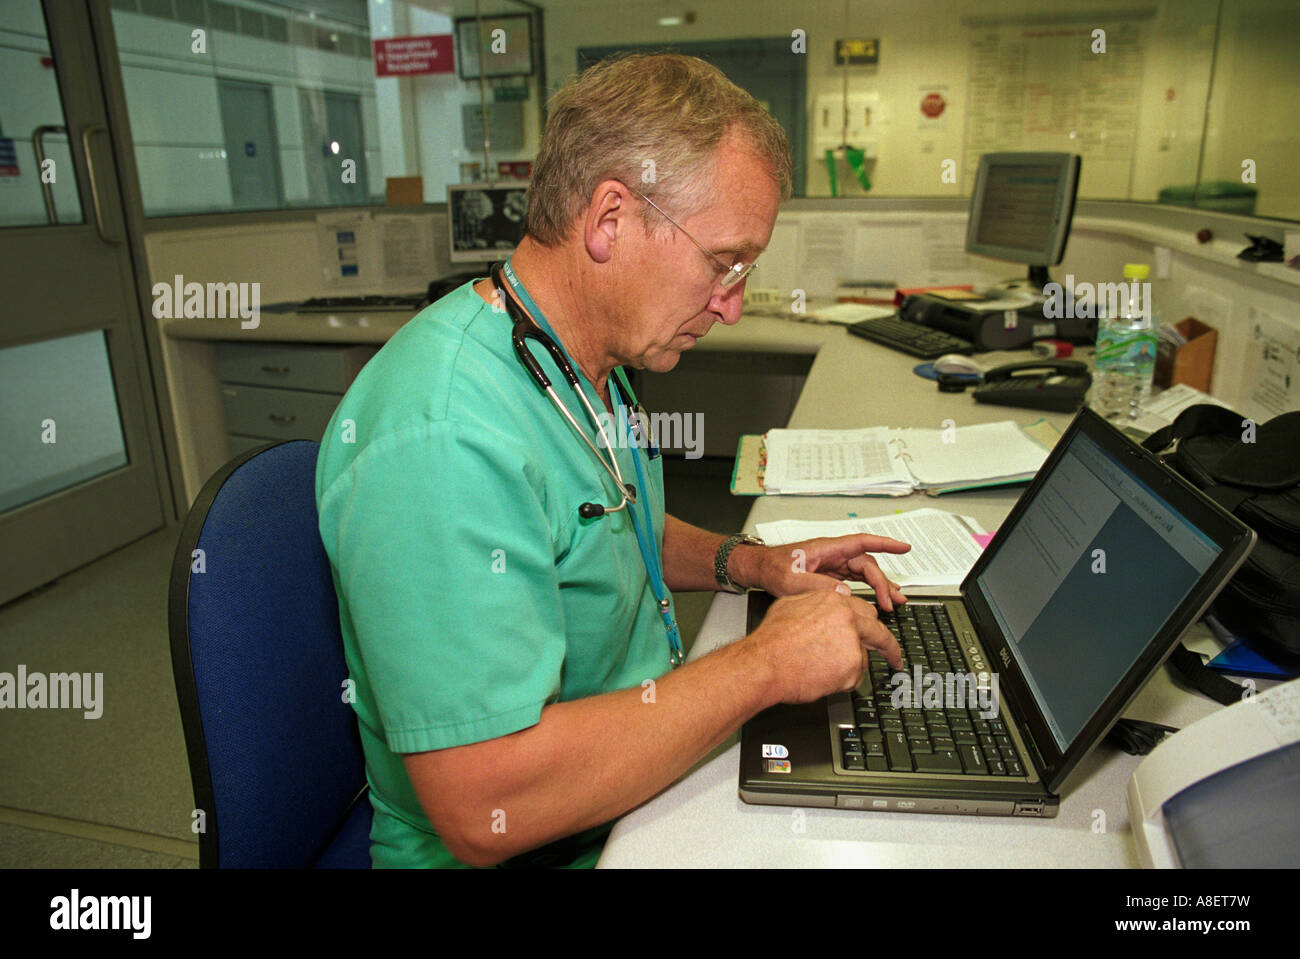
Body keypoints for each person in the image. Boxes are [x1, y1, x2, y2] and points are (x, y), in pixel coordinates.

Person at [315, 52, 909, 869]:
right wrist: (765, 663)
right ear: (610, 220)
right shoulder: (443, 438)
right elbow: (488, 800)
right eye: (723, 261)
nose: (732, 304)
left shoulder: (582, 361)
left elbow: (606, 527)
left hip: (631, 792)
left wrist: (758, 563)